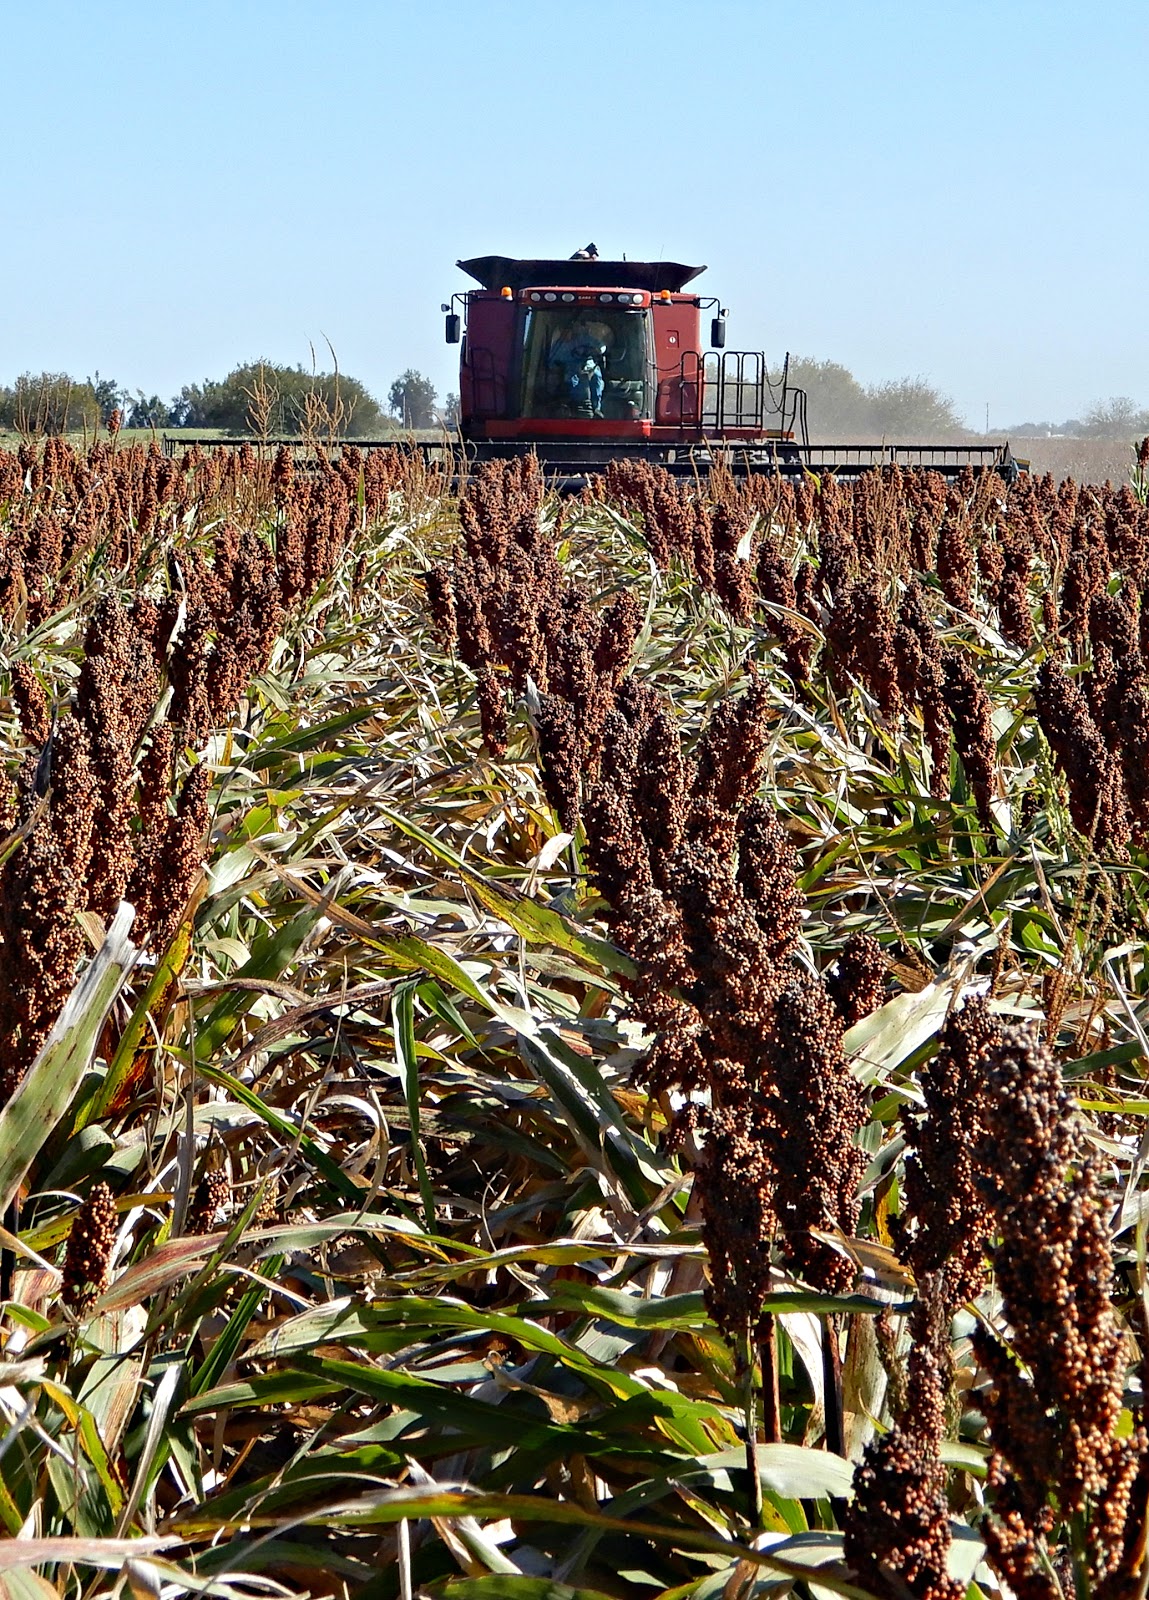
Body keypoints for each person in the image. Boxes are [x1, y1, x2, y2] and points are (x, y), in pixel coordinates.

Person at [548, 320, 607, 416]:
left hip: (589, 366)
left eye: (568, 331)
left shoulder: (585, 339)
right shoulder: (559, 346)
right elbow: (551, 361)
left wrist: (597, 350)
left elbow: (602, 346)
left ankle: (596, 408)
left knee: (597, 377)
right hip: (570, 369)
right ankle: (580, 407)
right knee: (576, 381)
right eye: (564, 332)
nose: (566, 334)